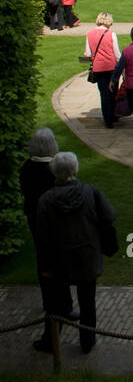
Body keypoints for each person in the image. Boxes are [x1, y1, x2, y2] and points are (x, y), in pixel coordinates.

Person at [36, 152, 116, 354]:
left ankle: (50, 342)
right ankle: (87, 341)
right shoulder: (90, 192)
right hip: (87, 256)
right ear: (75, 169)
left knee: (56, 304)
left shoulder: (45, 200)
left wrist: (45, 266)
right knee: (88, 302)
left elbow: (42, 237)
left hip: (59, 260)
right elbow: (109, 215)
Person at [20, 128, 77, 352]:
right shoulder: (52, 172)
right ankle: (52, 333)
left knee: (48, 270)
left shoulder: (26, 169)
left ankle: (62, 307)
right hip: (52, 229)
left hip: (38, 226)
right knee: (53, 272)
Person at [86, 13, 122, 129]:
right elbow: (117, 54)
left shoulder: (89, 34)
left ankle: (108, 118)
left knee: (104, 94)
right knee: (113, 92)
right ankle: (112, 115)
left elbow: (88, 53)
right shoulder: (111, 34)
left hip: (98, 68)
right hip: (111, 67)